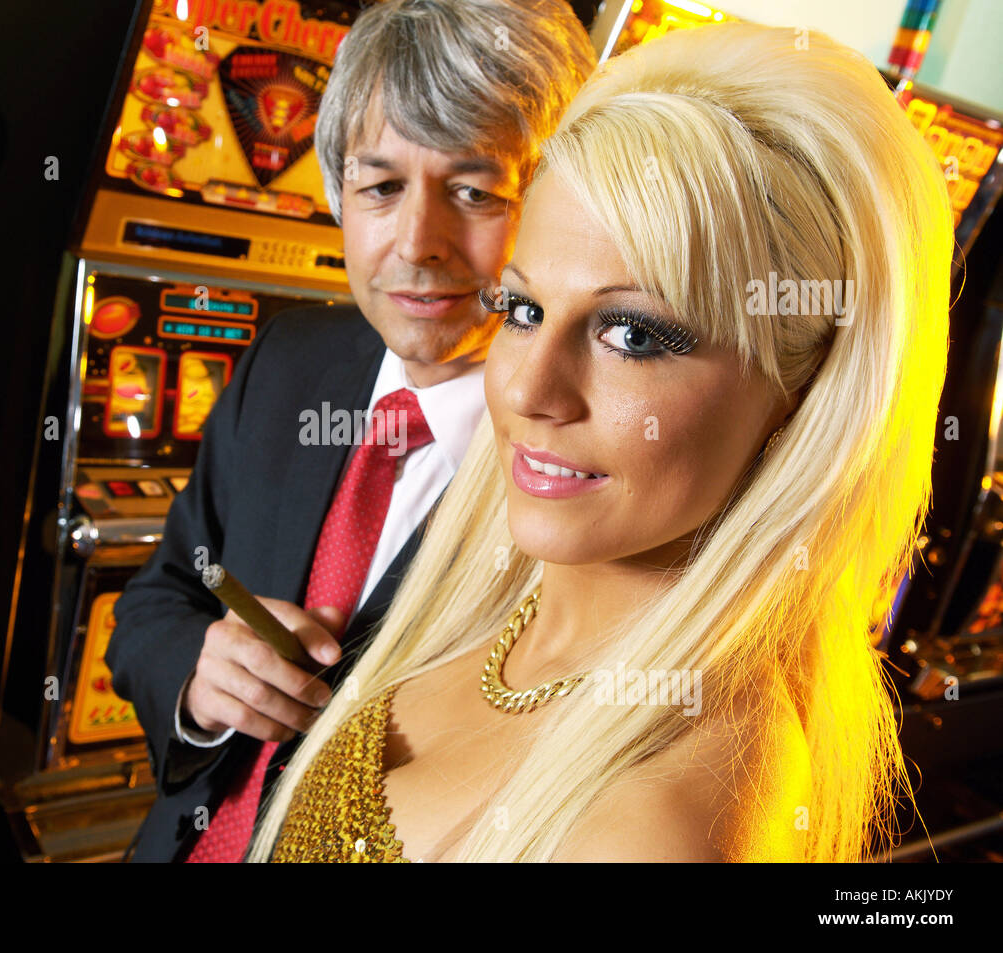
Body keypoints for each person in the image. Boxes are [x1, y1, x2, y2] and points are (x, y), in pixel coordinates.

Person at [249, 20, 955, 863]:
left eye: (633, 335)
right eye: (524, 310)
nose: (525, 390)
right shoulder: (499, 594)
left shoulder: (664, 826)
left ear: (798, 398)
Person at [105, 0, 596, 863]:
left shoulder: (586, 458)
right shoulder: (292, 359)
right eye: (381, 187)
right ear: (339, 194)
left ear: (558, 208)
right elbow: (166, 593)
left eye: (476, 191)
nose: (418, 242)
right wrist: (199, 674)